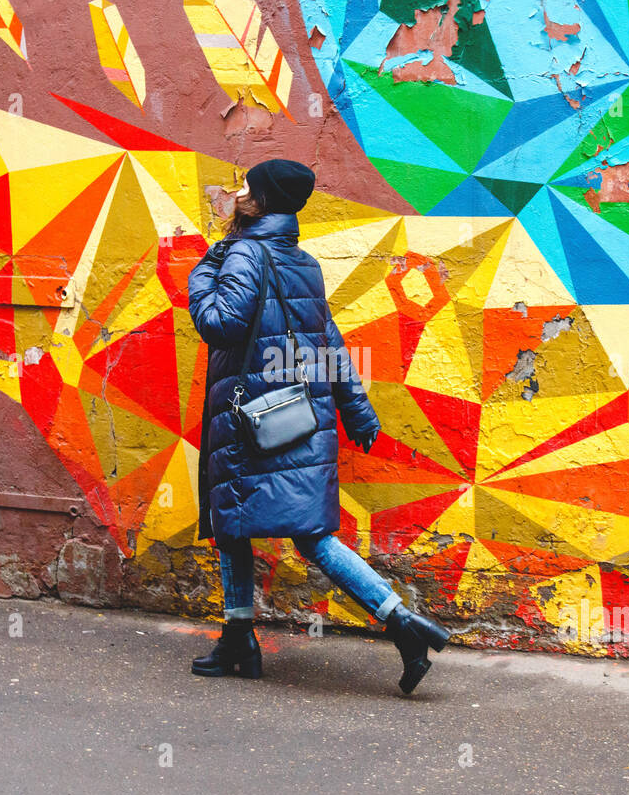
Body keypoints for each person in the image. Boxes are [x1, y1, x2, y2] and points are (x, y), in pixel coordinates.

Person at [186, 159, 450, 695]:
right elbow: (329, 339)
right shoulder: (302, 261)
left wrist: (204, 269)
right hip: (300, 415)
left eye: (246, 186)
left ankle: (397, 625)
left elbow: (220, 324)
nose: (237, 192)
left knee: (257, 527)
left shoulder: (241, 253)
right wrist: (357, 410)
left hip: (250, 418)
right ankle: (248, 638)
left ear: (259, 201)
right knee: (287, 532)